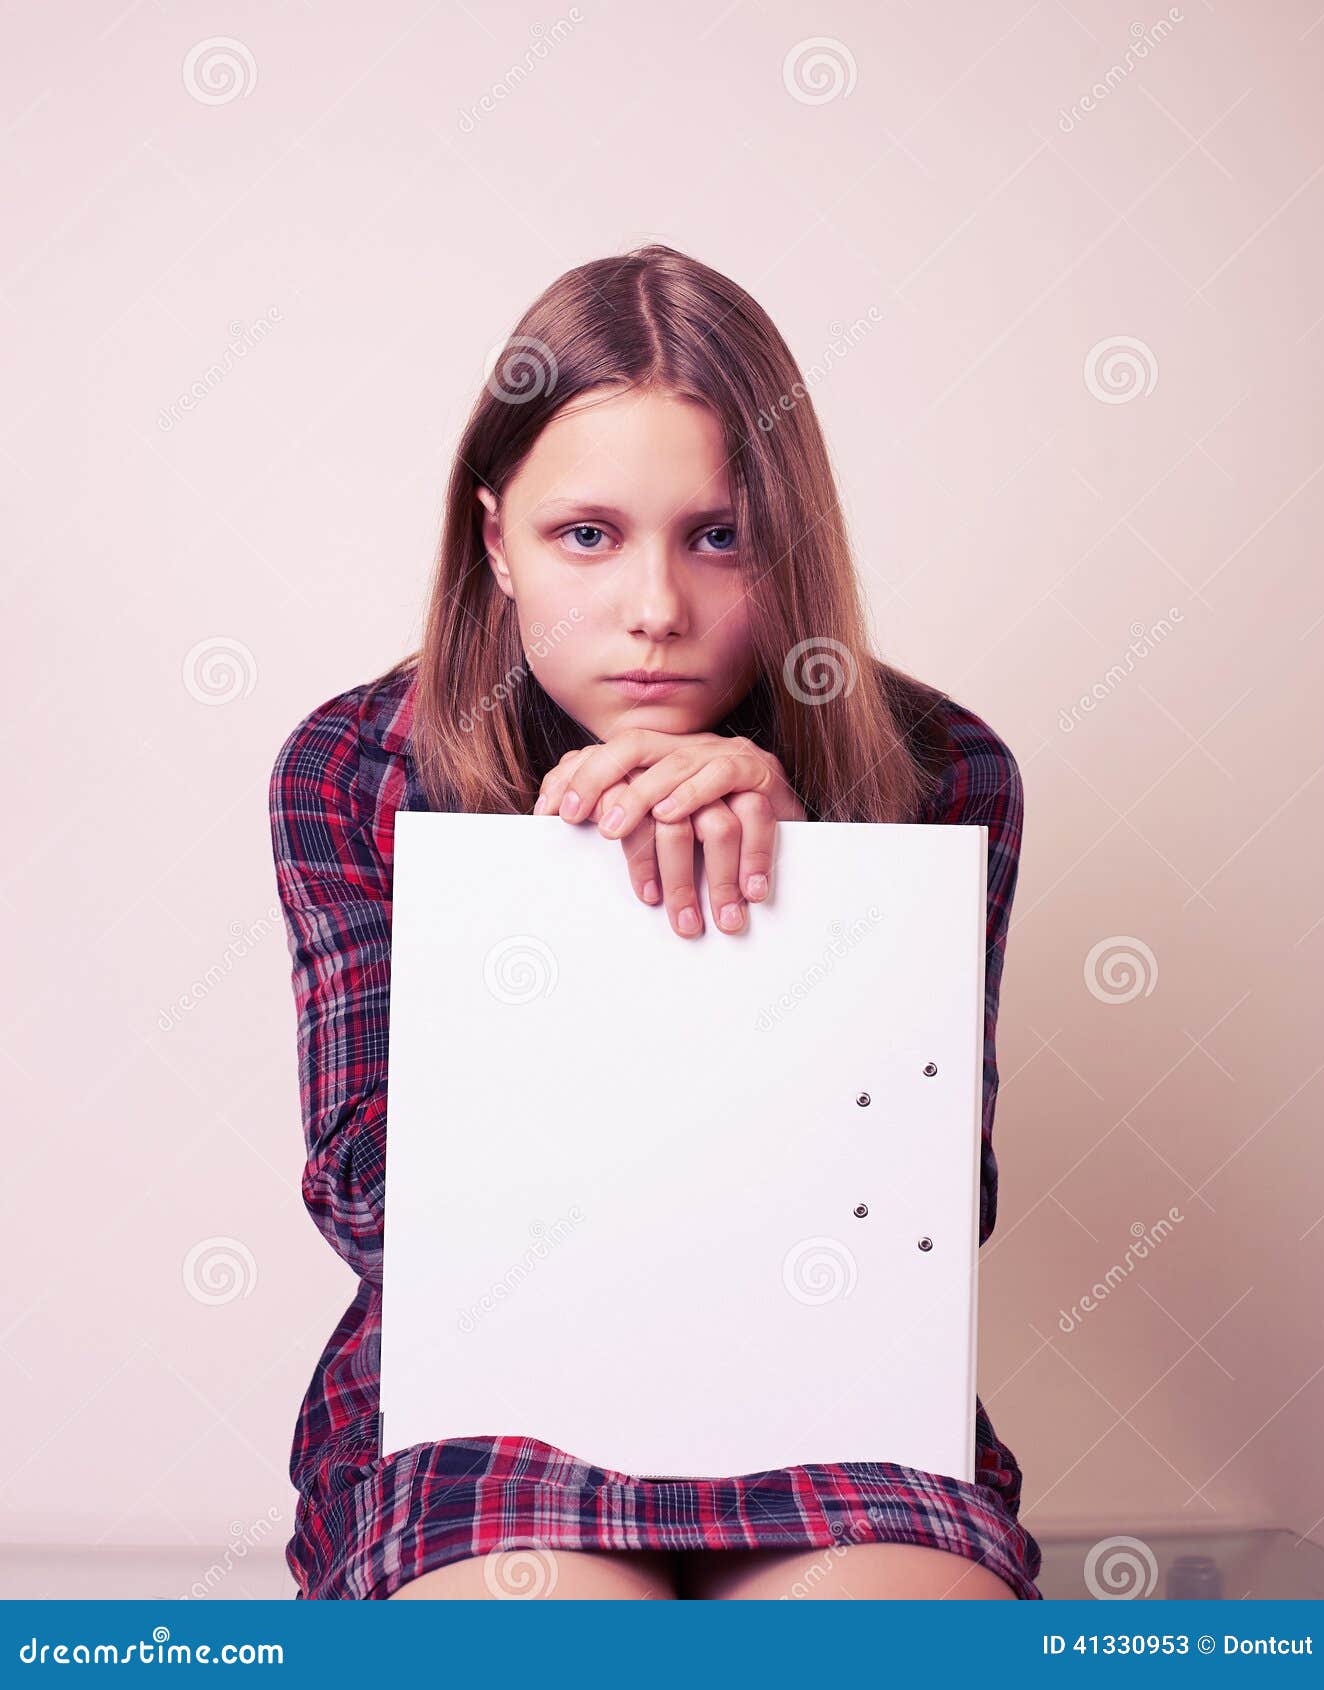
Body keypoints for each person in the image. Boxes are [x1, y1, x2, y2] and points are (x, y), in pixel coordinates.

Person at [268, 243, 1042, 1601]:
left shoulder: (939, 767)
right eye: (587, 534)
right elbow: (375, 1200)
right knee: (548, 1622)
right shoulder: (352, 766)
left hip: (827, 1393)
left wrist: (809, 880)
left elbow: (934, 1209)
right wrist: (555, 904)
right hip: (486, 1402)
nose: (655, 610)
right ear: (494, 537)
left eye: (718, 534)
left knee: (889, 1625)